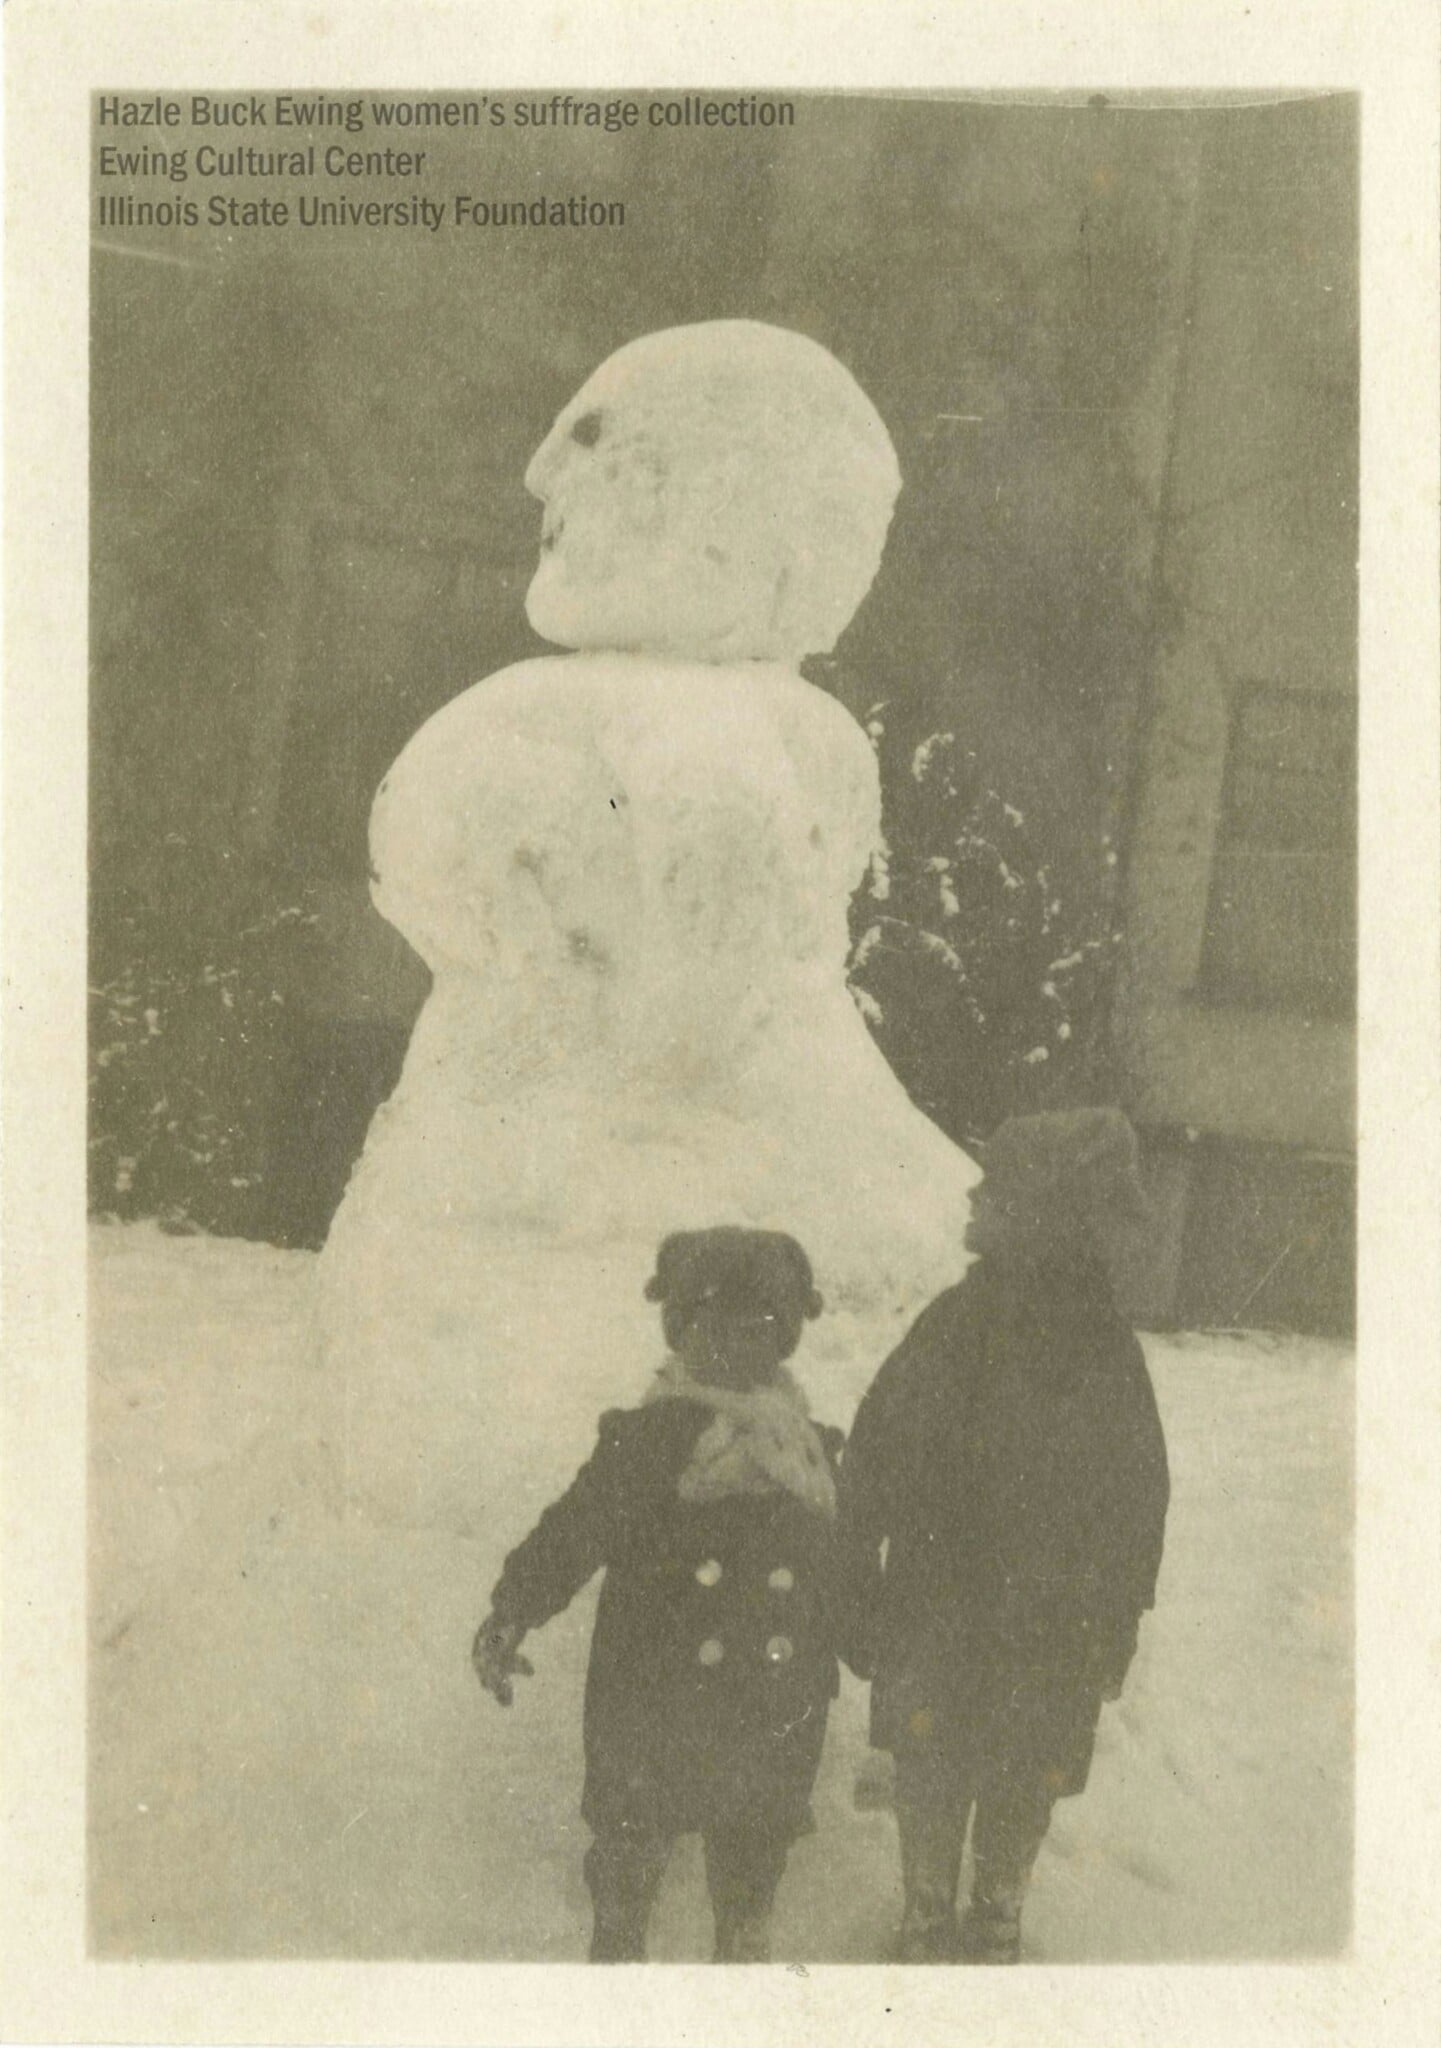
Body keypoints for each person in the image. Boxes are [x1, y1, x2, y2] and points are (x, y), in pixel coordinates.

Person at [836, 1108, 1170, 1964]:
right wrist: (853, 1575)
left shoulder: (1097, 1348)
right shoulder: (961, 1325)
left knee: (999, 1769)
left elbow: (1135, 1497)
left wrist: (1119, 1615)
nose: (974, 1198)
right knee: (940, 1759)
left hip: (1026, 1617)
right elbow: (877, 1449)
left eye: (995, 1190)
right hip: (952, 1605)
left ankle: (987, 1914)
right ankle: (937, 1913)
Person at [472, 1225, 845, 1963]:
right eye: (712, 1325)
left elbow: (844, 1576)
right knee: (631, 1842)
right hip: (654, 1693)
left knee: (749, 1852)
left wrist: (884, 1651)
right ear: (680, 1332)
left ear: (784, 1340)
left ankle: (738, 1961)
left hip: (768, 1701)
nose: (735, 1345)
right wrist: (513, 1609)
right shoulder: (646, 1441)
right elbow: (575, 1527)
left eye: (759, 1328)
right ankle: (618, 1959)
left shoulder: (811, 1454)